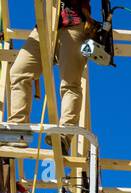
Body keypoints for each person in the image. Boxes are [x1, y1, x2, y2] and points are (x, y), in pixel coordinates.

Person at [8, 2, 97, 132]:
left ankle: (65, 133)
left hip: (73, 23)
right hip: (45, 26)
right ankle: (17, 128)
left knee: (70, 83)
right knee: (19, 72)